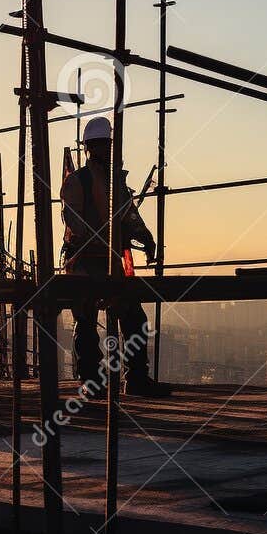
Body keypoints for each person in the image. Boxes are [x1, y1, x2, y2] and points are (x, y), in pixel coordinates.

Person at [61, 115, 172, 398]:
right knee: (86, 321)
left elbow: (128, 215)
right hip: (84, 261)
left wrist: (145, 237)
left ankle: (136, 378)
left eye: (107, 144)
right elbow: (71, 217)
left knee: (133, 316)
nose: (105, 149)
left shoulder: (116, 183)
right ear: (90, 148)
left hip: (110, 261)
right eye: (100, 144)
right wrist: (96, 236)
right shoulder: (78, 181)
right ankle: (91, 380)